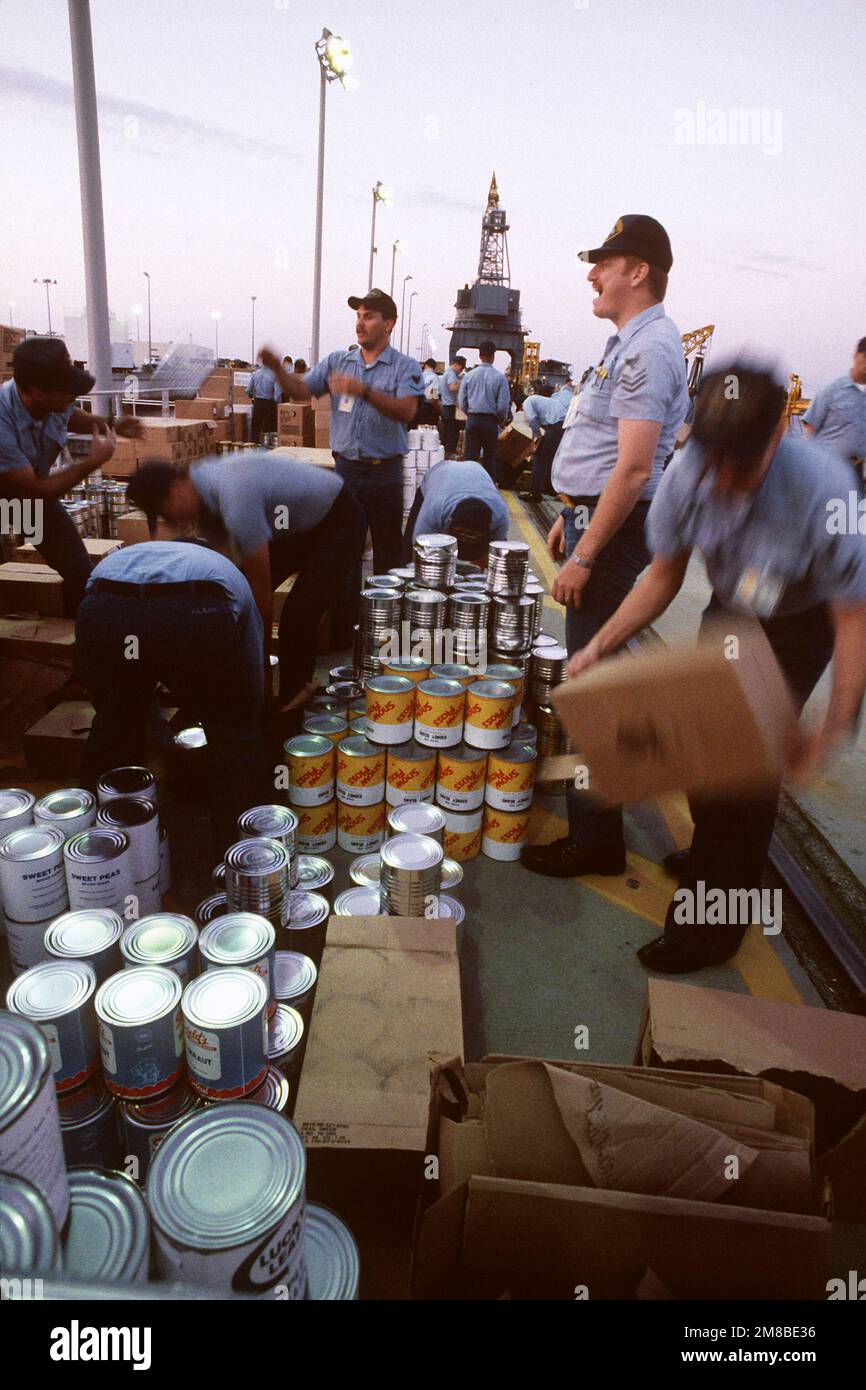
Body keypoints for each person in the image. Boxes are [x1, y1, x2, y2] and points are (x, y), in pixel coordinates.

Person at [567, 364, 866, 972]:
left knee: (744, 785)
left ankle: (715, 922)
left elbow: (852, 621)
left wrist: (832, 730)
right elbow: (663, 574)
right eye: (715, 461)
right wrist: (600, 645)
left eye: (742, 467)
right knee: (708, 762)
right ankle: (717, 855)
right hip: (733, 613)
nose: (724, 481)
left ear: (779, 435)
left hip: (799, 626)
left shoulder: (827, 489)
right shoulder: (689, 471)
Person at [521, 213, 689, 879]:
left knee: (591, 685)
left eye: (604, 262)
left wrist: (588, 550)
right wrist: (572, 513)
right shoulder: (629, 344)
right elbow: (602, 459)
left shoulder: (648, 350)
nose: (592, 273)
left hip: (613, 540)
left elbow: (635, 468)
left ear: (637, 271)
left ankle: (594, 841)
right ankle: (596, 829)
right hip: (597, 522)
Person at [126, 452, 365, 722]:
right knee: (230, 603)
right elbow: (225, 581)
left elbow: (258, 589)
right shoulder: (202, 492)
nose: (177, 524)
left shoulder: (233, 495)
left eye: (168, 515)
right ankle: (233, 689)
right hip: (296, 526)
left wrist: (261, 668)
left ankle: (291, 709)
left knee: (297, 618)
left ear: (176, 489)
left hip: (339, 520)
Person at [77, 540, 270, 858]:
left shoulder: (126, 557)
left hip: (105, 607)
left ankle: (96, 849)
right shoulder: (226, 572)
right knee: (234, 738)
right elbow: (249, 670)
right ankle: (238, 858)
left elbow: (118, 666)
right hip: (194, 613)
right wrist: (245, 717)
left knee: (114, 724)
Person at [262, 287, 425, 643]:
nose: (360, 323)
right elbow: (302, 390)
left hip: (384, 473)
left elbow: (408, 411)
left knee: (387, 557)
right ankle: (343, 633)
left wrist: (363, 391)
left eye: (368, 316)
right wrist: (278, 370)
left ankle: (386, 636)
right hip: (346, 472)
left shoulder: (405, 367)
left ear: (389, 323)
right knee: (342, 553)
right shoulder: (339, 361)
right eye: (358, 315)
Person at [0, 336, 143, 615]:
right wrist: (92, 463)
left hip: (26, 498)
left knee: (79, 571)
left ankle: (79, 637)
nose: (73, 396)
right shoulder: (2, 425)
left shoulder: (50, 401)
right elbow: (34, 492)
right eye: (66, 391)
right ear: (38, 392)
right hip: (20, 494)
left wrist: (110, 423)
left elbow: (70, 415)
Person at [402, 458, 510, 566]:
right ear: (450, 520)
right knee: (408, 553)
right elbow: (419, 553)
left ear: (489, 528)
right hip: (441, 474)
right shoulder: (434, 509)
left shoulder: (500, 517)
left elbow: (492, 558)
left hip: (474, 473)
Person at [803, 337, 866, 490]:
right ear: (855, 356)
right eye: (865, 357)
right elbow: (809, 431)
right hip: (827, 473)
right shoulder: (831, 390)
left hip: (858, 476)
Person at [458, 342, 511, 482]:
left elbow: (462, 401)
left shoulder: (468, 376)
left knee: (470, 458)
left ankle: (468, 488)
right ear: (493, 356)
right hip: (490, 422)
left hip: (473, 419)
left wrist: (470, 414)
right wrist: (499, 419)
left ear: (479, 355)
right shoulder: (500, 378)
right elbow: (502, 406)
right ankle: (486, 489)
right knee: (489, 459)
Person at [519, 381, 573, 501]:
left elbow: (532, 420)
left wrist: (537, 438)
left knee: (539, 458)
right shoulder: (539, 401)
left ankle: (535, 493)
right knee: (550, 458)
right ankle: (548, 488)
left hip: (556, 425)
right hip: (563, 425)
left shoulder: (528, 402)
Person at [247, 355, 282, 444]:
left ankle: (253, 447)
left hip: (258, 402)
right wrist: (277, 404)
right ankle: (268, 448)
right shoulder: (274, 375)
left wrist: (252, 398)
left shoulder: (255, 374)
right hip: (269, 403)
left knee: (255, 428)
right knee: (269, 429)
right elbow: (277, 393)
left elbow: (248, 390)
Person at [439, 356, 466, 456]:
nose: (460, 371)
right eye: (461, 368)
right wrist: (464, 382)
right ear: (456, 364)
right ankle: (449, 457)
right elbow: (452, 387)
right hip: (450, 408)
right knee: (452, 435)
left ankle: (446, 455)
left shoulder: (446, 373)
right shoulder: (451, 373)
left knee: (447, 434)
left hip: (445, 407)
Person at [417, 357, 440, 426]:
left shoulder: (418, 376)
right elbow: (434, 396)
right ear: (434, 367)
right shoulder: (434, 377)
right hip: (428, 409)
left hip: (417, 407)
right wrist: (438, 408)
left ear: (425, 365)